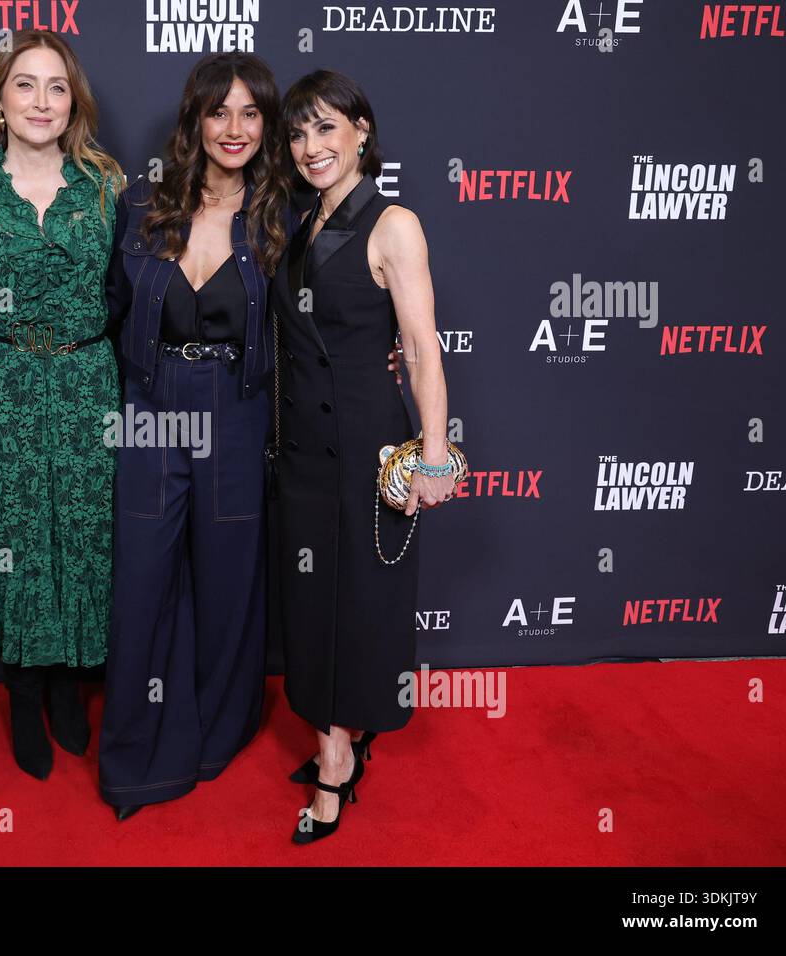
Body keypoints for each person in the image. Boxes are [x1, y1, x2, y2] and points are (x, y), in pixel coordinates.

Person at [98, 53, 292, 820]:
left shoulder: (282, 217)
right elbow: (110, 305)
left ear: (267, 126)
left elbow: (315, 317)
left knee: (228, 578)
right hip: (151, 405)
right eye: (220, 112)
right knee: (142, 576)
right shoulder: (144, 204)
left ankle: (217, 729)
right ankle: (135, 749)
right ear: (195, 120)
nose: (235, 129)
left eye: (251, 114)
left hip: (237, 411)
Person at [271, 70, 454, 844]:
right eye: (299, 133)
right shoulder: (302, 221)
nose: (311, 147)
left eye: (326, 128)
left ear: (362, 131)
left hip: (367, 444)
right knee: (313, 604)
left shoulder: (394, 223)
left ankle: (335, 760)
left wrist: (436, 456)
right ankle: (338, 735)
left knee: (361, 601)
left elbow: (420, 347)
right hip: (303, 453)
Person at [0, 30, 125, 780]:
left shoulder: (107, 186)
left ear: (73, 99)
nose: (42, 101)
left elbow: (125, 290)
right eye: (25, 84)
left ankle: (67, 690)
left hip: (86, 383)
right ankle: (22, 692)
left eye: (57, 86)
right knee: (16, 534)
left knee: (81, 531)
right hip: (3, 384)